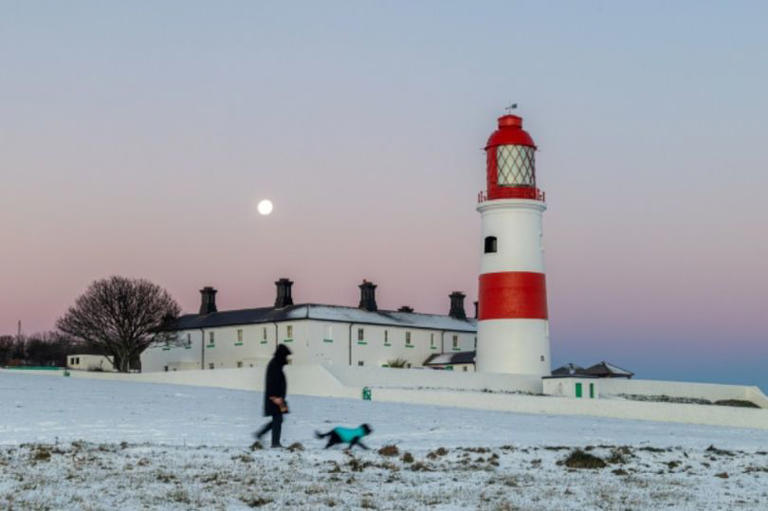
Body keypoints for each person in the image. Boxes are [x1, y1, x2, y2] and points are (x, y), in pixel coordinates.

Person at [253, 344, 292, 448]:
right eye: (286, 356)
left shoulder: (276, 364)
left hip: (278, 398)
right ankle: (275, 443)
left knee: (279, 419)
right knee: (278, 419)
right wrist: (274, 397)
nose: (287, 358)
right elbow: (271, 382)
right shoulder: (274, 365)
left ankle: (261, 434)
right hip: (275, 398)